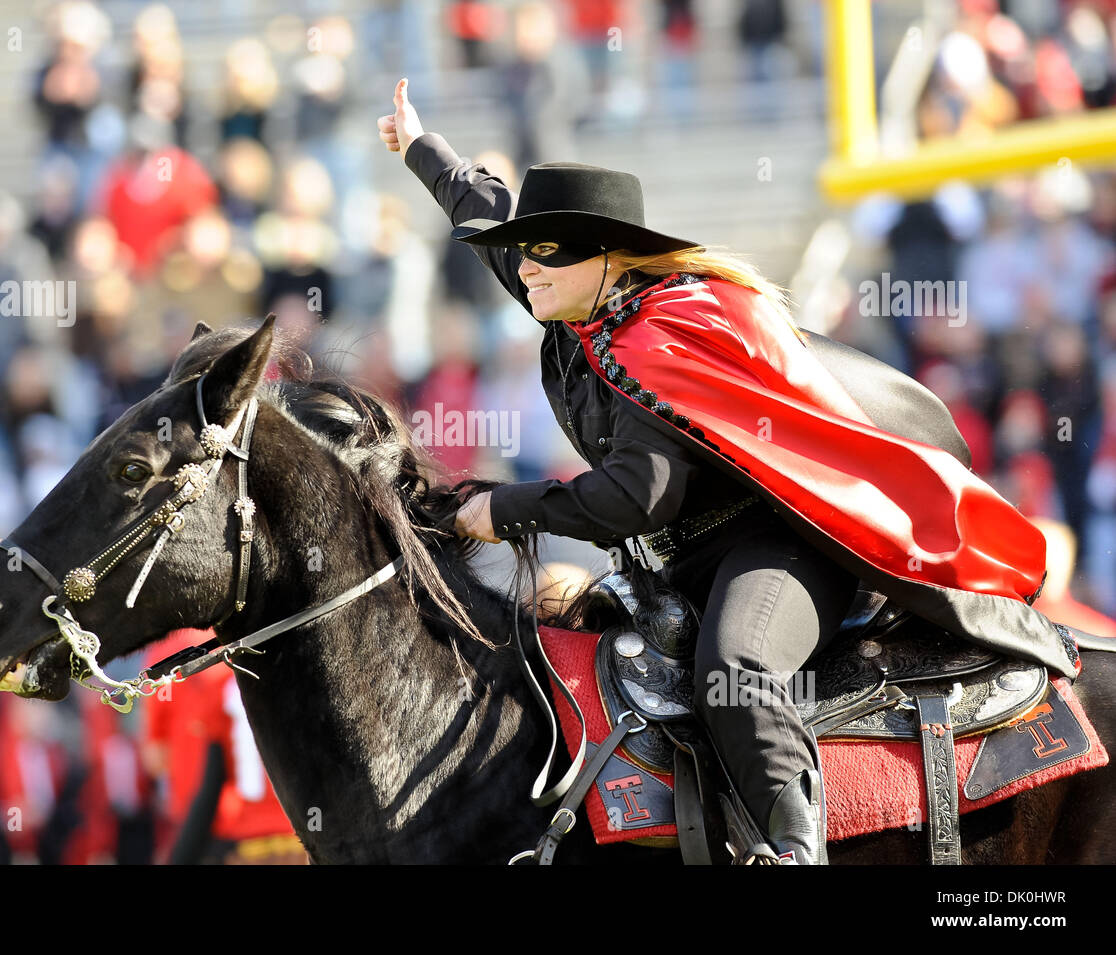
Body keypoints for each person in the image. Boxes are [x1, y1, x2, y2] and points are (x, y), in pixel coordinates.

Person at [377, 79, 1079, 864]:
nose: (525, 270)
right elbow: (495, 219)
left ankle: (794, 845)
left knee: (734, 668)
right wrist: (420, 148)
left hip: (782, 542)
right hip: (681, 559)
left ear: (607, 257)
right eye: (528, 257)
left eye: (547, 255)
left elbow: (638, 497)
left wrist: (503, 508)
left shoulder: (660, 339)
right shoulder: (573, 297)